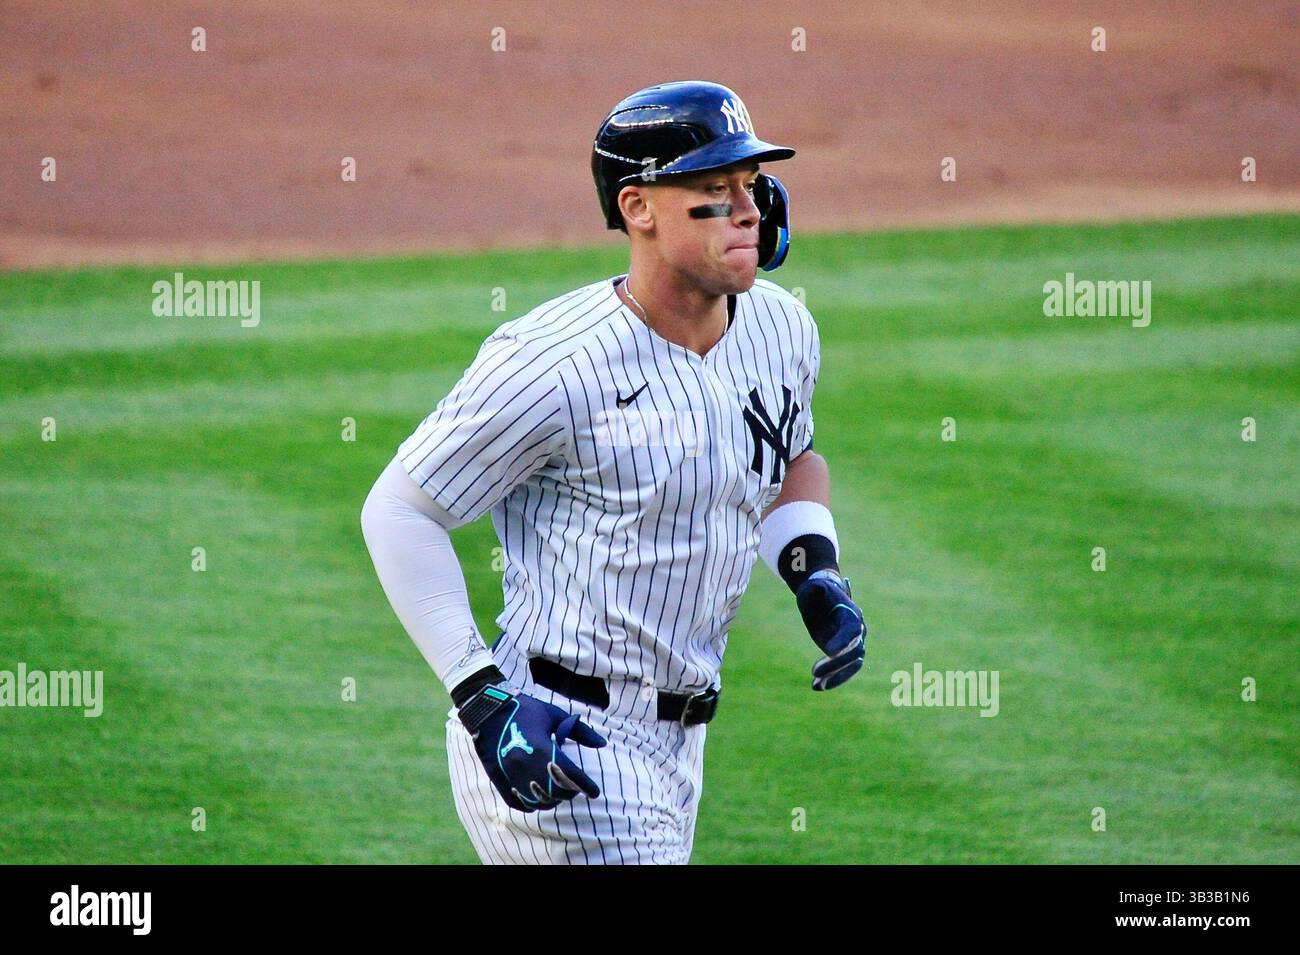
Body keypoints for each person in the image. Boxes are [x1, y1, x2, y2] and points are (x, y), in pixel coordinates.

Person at [360, 80, 866, 864]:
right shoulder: (552, 364)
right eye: (714, 189)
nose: (748, 208)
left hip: (682, 744)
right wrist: (483, 700)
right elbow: (399, 509)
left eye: (749, 184)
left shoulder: (781, 327)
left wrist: (815, 572)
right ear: (639, 208)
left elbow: (788, 457)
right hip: (560, 735)